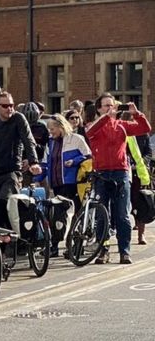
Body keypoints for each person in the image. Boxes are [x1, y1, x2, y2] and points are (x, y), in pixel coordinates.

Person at [87, 96, 151, 264]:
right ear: (99, 109)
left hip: (120, 172)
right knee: (102, 215)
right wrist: (107, 117)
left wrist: (137, 114)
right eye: (106, 106)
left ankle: (125, 251)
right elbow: (90, 133)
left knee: (122, 215)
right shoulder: (95, 125)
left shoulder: (122, 125)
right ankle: (103, 250)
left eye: (112, 105)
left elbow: (145, 128)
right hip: (101, 173)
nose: (110, 108)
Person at [0, 92, 42, 232]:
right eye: (5, 106)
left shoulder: (18, 119)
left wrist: (33, 162)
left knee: (6, 201)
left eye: (11, 105)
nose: (9, 109)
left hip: (10, 171)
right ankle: (1, 244)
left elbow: (28, 140)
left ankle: (14, 238)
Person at [45, 114, 91, 209]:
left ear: (61, 127)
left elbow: (88, 156)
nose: (50, 132)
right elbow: (46, 162)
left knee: (69, 210)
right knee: (59, 212)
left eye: (52, 129)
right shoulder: (50, 142)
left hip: (72, 182)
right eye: (49, 129)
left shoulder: (77, 139)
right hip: (55, 184)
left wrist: (74, 161)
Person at [129, 134, 152, 245]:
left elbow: (148, 153)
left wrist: (140, 163)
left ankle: (141, 234)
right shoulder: (122, 132)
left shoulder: (143, 135)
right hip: (124, 171)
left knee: (141, 203)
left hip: (139, 175)